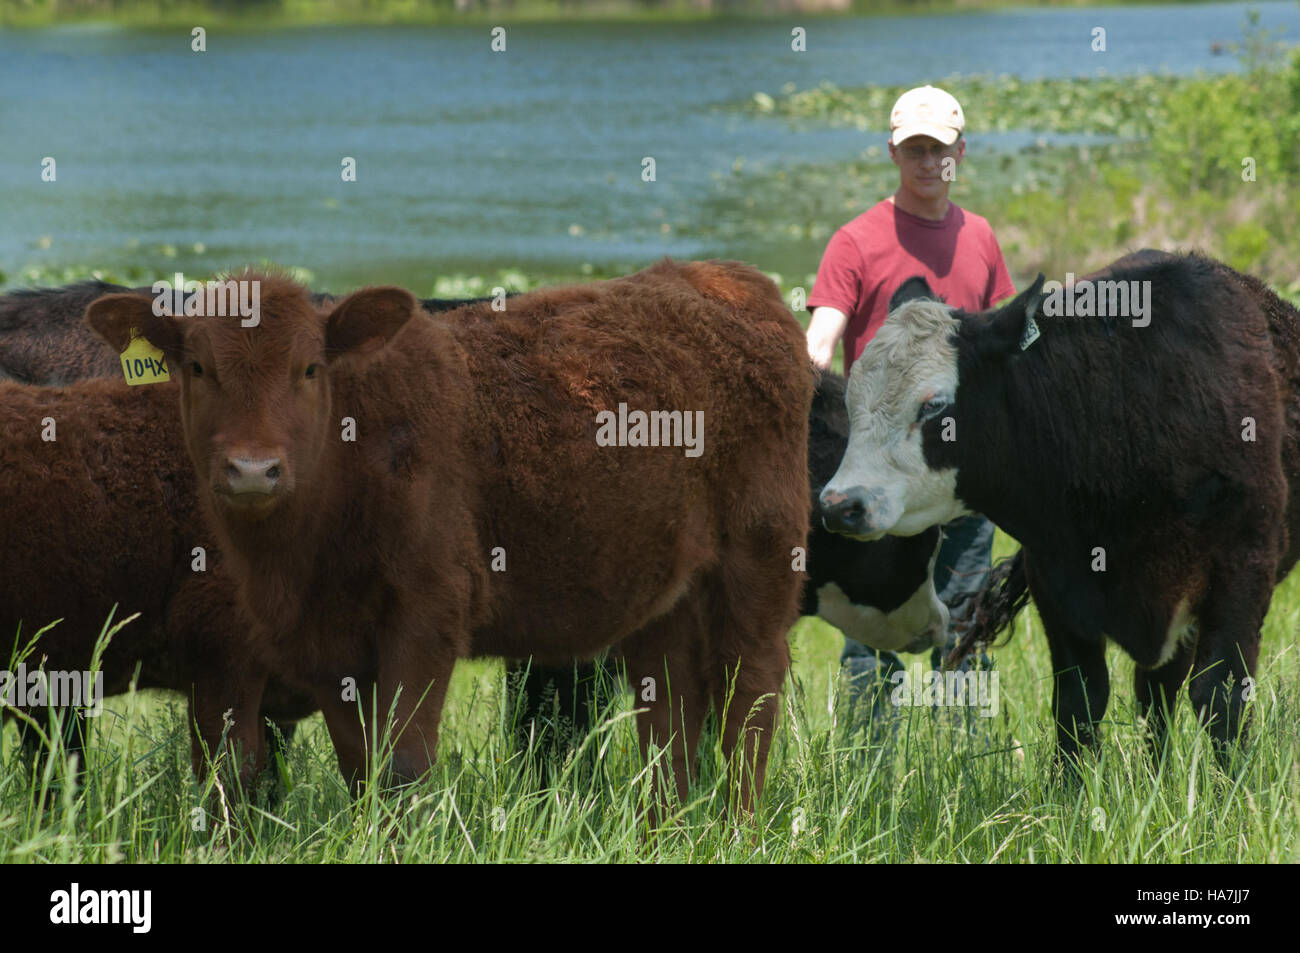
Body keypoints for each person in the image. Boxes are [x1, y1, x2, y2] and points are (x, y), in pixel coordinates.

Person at [805, 85, 1016, 718]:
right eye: (915, 150)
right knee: (875, 629)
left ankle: (969, 757)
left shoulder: (979, 237)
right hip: (883, 467)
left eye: (940, 151)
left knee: (968, 618)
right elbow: (820, 343)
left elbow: (999, 349)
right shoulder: (856, 241)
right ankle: (868, 766)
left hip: (960, 469)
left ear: (960, 154)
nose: (929, 163)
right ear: (893, 153)